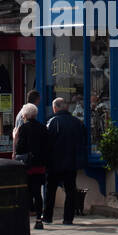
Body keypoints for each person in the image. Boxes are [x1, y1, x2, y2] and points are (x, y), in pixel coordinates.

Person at [43, 97, 86, 226]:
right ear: (66, 107)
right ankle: (68, 218)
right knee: (70, 191)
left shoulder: (52, 122)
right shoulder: (77, 122)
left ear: (55, 108)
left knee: (50, 191)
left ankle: (47, 217)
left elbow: (47, 144)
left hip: (54, 163)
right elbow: (83, 141)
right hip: (71, 163)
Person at [12, 103, 48, 229]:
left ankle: (25, 217)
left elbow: (20, 148)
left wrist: (14, 138)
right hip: (40, 165)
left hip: (27, 166)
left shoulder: (23, 128)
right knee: (37, 192)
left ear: (26, 115)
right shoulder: (43, 127)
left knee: (26, 192)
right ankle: (39, 219)